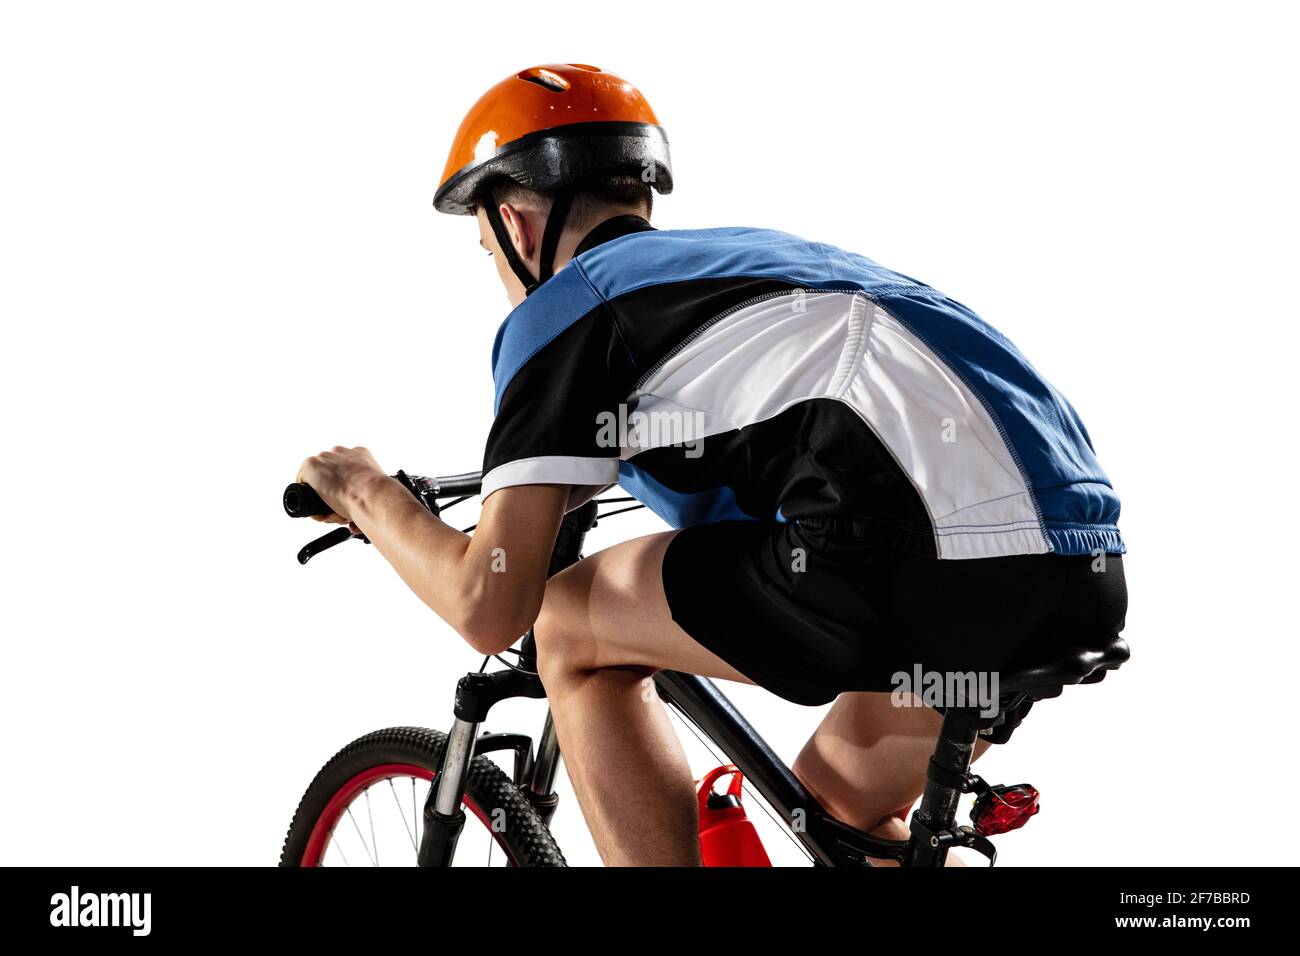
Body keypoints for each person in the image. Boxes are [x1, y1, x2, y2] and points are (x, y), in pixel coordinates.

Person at [295, 63, 1128, 866]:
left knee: (565, 626)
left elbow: (489, 604)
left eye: (485, 250)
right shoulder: (750, 265)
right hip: (1076, 567)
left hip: (907, 557)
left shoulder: (572, 305)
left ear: (514, 223)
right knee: (850, 811)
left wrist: (368, 493)